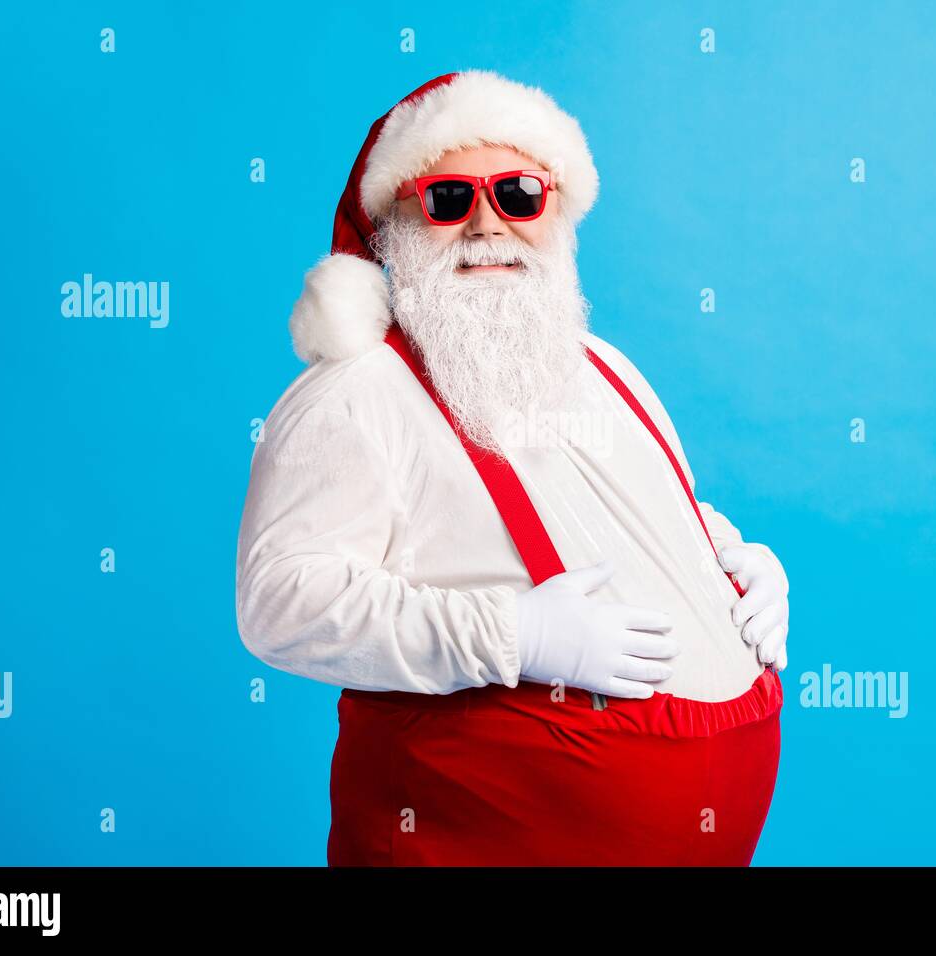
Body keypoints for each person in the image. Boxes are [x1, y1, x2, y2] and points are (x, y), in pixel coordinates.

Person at [235, 69, 792, 866]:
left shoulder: (608, 369)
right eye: (448, 199)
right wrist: (514, 634)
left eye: (519, 194)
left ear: (557, 212)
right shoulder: (354, 395)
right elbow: (281, 602)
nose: (486, 225)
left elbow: (645, 515)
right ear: (395, 226)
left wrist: (735, 559)